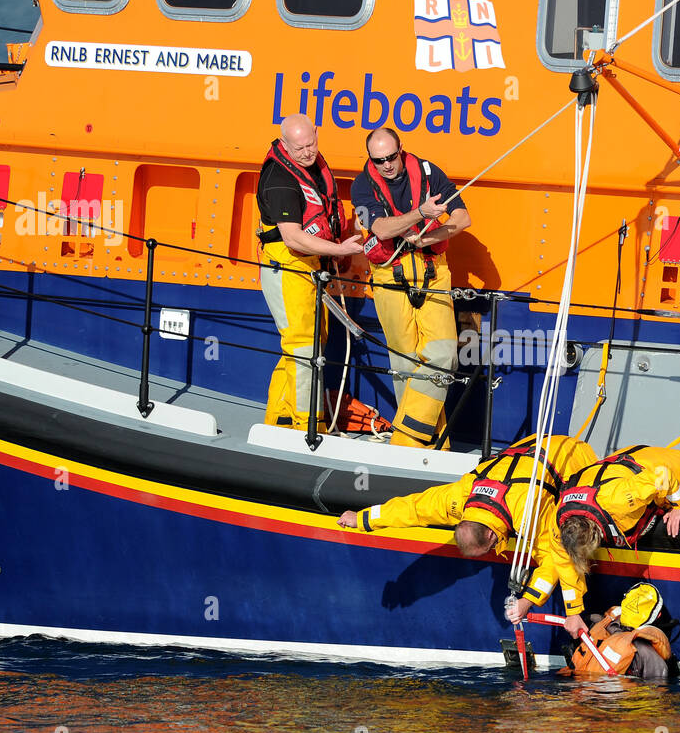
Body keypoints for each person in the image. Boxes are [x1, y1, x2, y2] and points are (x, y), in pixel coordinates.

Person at [337, 435, 597, 635]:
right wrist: (362, 519)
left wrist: (530, 600)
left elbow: (556, 556)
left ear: (493, 538)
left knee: (570, 529)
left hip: (575, 458)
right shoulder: (460, 497)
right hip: (535, 448)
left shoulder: (527, 512)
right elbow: (415, 508)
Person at [349, 128, 471, 448]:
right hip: (391, 275)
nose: (387, 165)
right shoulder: (362, 185)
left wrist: (430, 236)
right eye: (379, 161)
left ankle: (406, 440)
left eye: (391, 157)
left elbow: (462, 217)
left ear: (401, 149)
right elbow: (378, 227)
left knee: (442, 355)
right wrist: (421, 213)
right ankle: (430, 445)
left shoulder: (430, 173)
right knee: (404, 364)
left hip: (433, 273)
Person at [506, 445, 680, 626]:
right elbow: (565, 567)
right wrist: (573, 612)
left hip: (667, 466)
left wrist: (679, 505)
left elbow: (663, 475)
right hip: (619, 466)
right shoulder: (559, 522)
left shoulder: (621, 501)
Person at [256, 114, 363, 429]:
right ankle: (306, 426)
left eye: (311, 144)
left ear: (316, 134)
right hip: (287, 265)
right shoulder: (279, 178)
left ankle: (280, 419)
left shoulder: (313, 163)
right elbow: (292, 237)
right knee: (305, 346)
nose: (307, 152)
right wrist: (341, 250)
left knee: (303, 343)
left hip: (311, 266)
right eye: (299, 148)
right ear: (285, 145)